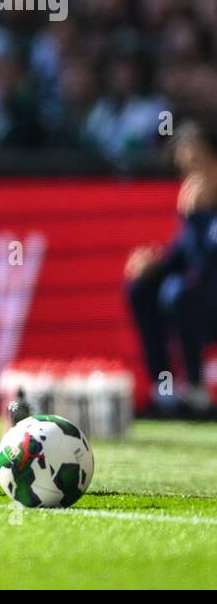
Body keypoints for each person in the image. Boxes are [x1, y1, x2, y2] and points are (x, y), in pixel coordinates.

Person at [125, 120, 217, 420]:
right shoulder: (198, 208)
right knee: (142, 288)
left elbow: (205, 261)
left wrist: (198, 215)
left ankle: (197, 393)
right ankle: (164, 393)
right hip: (202, 295)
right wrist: (153, 264)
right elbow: (182, 254)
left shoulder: (203, 209)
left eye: (199, 164)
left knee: (177, 292)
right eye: (187, 168)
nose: (193, 177)